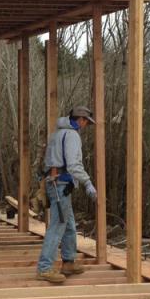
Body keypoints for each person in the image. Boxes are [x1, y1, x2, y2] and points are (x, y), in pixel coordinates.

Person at [36, 106, 98, 283]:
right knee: (57, 225)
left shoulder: (56, 133)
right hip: (60, 184)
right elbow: (73, 165)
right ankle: (44, 268)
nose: (85, 126)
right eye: (86, 122)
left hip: (55, 182)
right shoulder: (71, 135)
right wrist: (87, 183)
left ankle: (69, 261)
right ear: (80, 120)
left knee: (69, 223)